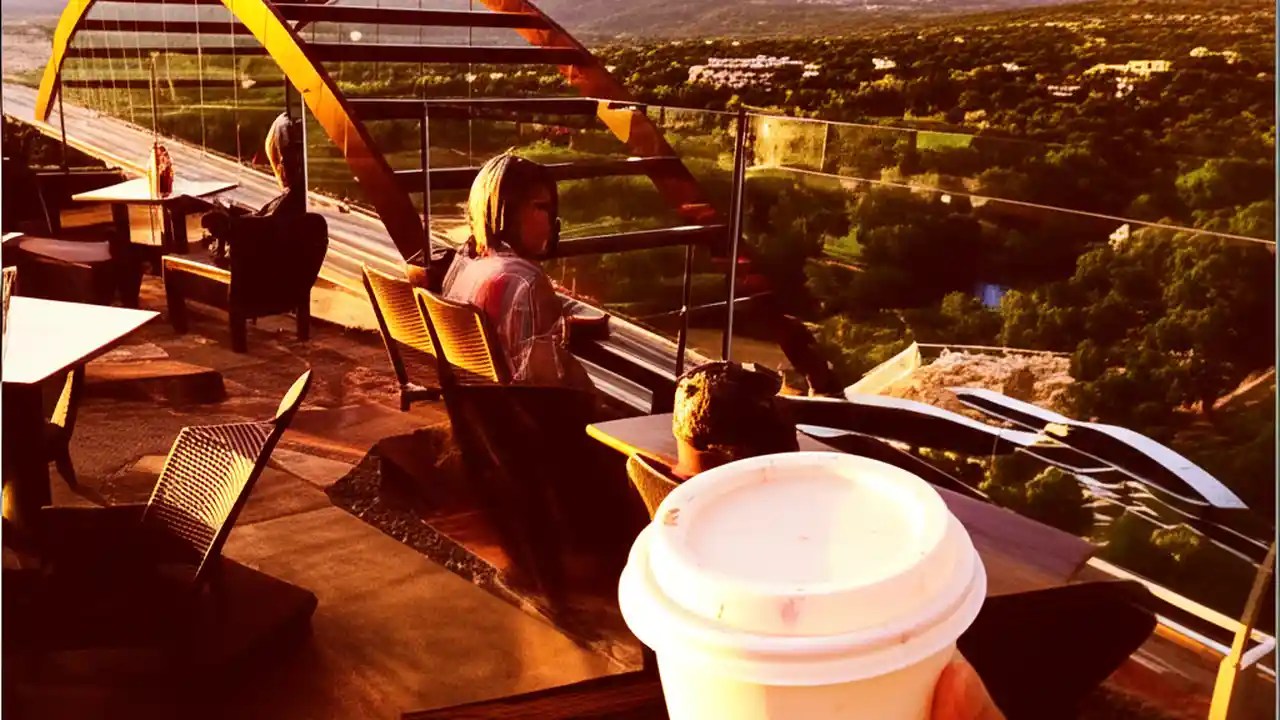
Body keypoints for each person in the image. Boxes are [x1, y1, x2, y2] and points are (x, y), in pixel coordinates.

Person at [442, 152, 595, 391]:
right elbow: (545, 385)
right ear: (506, 212)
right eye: (541, 207)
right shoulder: (528, 282)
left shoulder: (465, 263)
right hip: (518, 417)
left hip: (476, 404)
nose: (552, 220)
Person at [201, 111, 305, 267]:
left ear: (282, 166)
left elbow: (260, 231)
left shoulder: (286, 209)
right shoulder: (297, 202)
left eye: (276, 163)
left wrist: (228, 226)